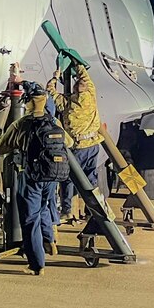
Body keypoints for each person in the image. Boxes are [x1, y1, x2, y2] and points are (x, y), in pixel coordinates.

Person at [0, 88, 69, 276]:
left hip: (31, 176)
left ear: (27, 103)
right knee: (45, 207)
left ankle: (36, 264)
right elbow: (68, 143)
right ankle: (49, 241)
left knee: (30, 219)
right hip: (52, 175)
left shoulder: (22, 124)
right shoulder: (53, 121)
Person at [47, 66, 102, 223]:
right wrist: (77, 66)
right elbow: (85, 77)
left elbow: (50, 90)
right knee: (91, 178)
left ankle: (67, 210)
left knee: (69, 179)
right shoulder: (91, 96)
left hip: (77, 148)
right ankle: (95, 210)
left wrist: (55, 76)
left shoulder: (67, 104)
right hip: (93, 144)